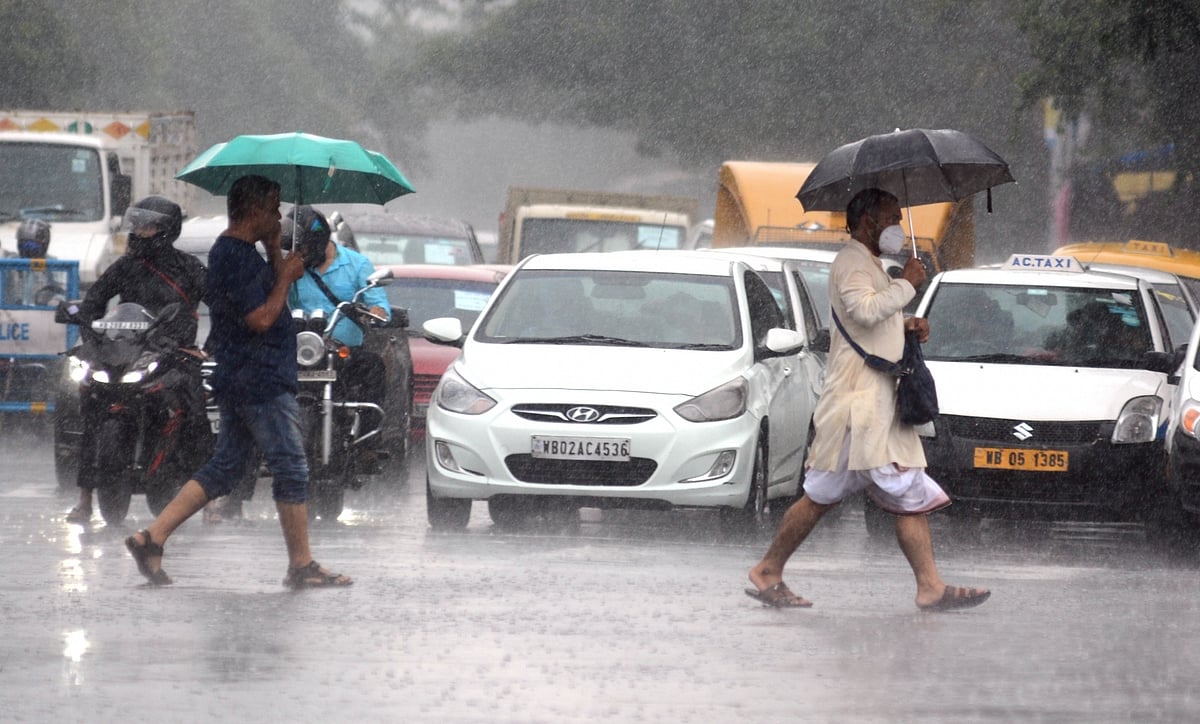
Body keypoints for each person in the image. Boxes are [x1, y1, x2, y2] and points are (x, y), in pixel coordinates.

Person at [745, 188, 990, 612]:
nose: (897, 225)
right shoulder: (853, 262)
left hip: (869, 405)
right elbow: (863, 311)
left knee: (824, 496)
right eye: (892, 217)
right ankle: (929, 585)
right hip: (860, 404)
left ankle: (770, 568)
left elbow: (873, 322)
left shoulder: (871, 264)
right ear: (867, 221)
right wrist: (907, 286)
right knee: (906, 489)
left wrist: (908, 324)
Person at [124, 175, 351, 589]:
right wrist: (283, 279)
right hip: (257, 377)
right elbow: (261, 318)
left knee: (226, 467)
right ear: (255, 210)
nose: (280, 214)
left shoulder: (244, 252)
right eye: (275, 206)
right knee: (291, 466)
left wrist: (275, 252)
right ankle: (301, 565)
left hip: (245, 373)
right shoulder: (235, 257)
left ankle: (152, 537)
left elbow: (272, 291)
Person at [203, 205, 391, 523]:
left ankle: (368, 445)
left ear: (318, 242)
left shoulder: (357, 264)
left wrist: (374, 313)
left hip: (340, 352)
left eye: (300, 247)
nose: (296, 253)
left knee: (374, 367)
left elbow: (379, 306)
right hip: (292, 352)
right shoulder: (285, 266)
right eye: (291, 247)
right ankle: (234, 495)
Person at [65, 197, 207, 524]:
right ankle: (86, 498)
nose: (139, 231)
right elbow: (94, 302)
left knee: (196, 412)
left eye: (147, 226)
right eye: (137, 224)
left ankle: (210, 498)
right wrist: (92, 337)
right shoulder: (124, 266)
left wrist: (206, 347)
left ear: (166, 230)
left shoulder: (189, 268)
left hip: (173, 357)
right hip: (125, 356)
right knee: (89, 409)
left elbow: (225, 308)